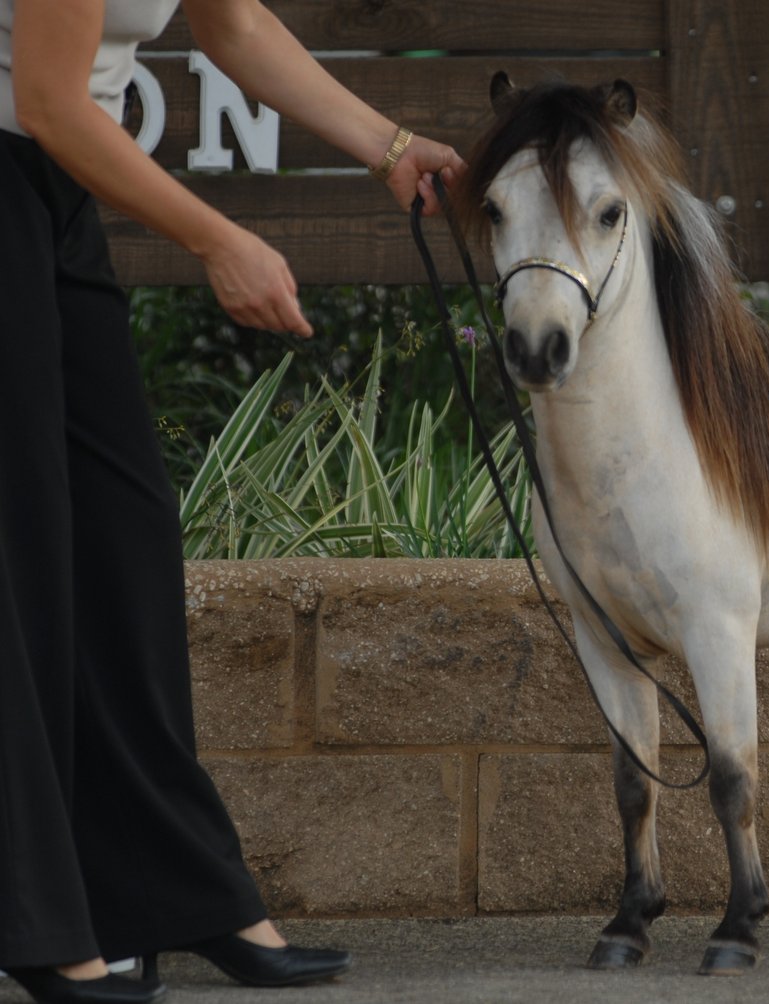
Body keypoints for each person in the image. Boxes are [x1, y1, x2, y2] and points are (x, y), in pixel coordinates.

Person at [0, 1, 463, 1001]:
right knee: (23, 550)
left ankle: (167, 889)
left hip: (47, 190)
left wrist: (387, 148)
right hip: (23, 155)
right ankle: (37, 920)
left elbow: (234, 23)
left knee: (122, 536)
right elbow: (48, 100)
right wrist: (219, 241)